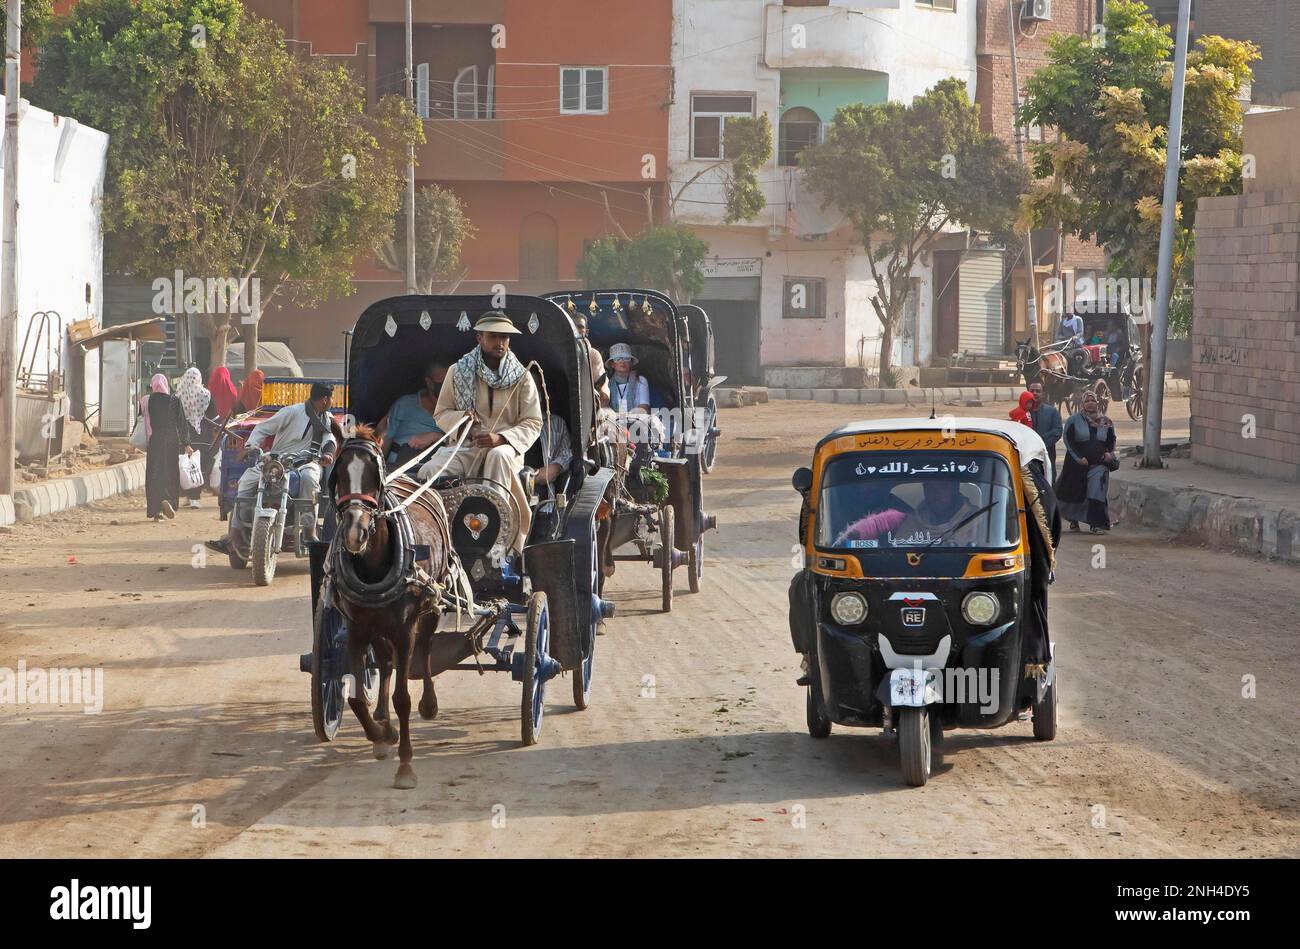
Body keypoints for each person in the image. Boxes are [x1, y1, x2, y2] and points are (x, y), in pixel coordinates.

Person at [418, 313, 542, 553]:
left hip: (507, 450)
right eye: (493, 336)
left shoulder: (522, 377)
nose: (500, 342)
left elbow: (533, 422)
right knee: (429, 471)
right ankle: (435, 539)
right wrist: (462, 420)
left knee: (498, 456)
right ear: (479, 337)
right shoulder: (458, 371)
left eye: (504, 337)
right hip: (466, 446)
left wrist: (501, 439)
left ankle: (498, 538)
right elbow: (441, 413)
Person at [205, 382, 337, 553]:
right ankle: (235, 535)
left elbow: (329, 440)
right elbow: (262, 428)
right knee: (247, 479)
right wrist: (251, 446)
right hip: (278, 461)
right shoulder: (293, 411)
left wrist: (328, 454)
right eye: (331, 398)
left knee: (310, 479)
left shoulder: (327, 419)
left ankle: (309, 531)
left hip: (307, 463)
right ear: (326, 399)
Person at [1055, 389, 1116, 534]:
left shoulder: (1106, 421)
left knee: (1097, 493)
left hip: (1099, 464)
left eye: (1092, 400)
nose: (1090, 403)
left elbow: (1112, 440)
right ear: (1082, 404)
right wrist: (1078, 458)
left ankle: (1096, 524)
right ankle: (1073, 520)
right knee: (1074, 493)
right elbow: (1068, 440)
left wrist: (1110, 454)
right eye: (1087, 401)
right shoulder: (1074, 420)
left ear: (1097, 402)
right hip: (1077, 465)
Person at [378, 360, 448, 466]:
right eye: (442, 382)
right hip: (400, 466)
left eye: (450, 382)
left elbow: (464, 441)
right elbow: (385, 439)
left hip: (438, 468)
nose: (447, 386)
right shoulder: (405, 404)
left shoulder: (457, 409)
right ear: (429, 382)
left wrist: (436, 436)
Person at [143, 374, 193, 521]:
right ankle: (168, 501)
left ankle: (156, 509)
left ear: (153, 385)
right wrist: (187, 444)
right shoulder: (174, 400)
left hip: (155, 440)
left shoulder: (146, 400)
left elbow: (142, 421)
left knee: (154, 473)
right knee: (170, 472)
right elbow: (182, 424)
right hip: (171, 441)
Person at [528, 366, 573, 500]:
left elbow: (568, 451)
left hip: (544, 495)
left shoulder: (556, 422)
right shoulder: (504, 424)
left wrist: (556, 467)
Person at [893, 480, 981, 547]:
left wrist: (956, 542)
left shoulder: (977, 518)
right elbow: (897, 549)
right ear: (924, 489)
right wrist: (918, 541)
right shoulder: (911, 522)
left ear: (955, 488)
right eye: (930, 487)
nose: (936, 494)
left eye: (943, 486)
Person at [176, 367, 215, 508]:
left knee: (186, 466)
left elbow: (175, 417)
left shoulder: (179, 394)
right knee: (199, 466)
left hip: (184, 437)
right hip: (203, 436)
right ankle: (195, 498)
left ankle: (188, 496)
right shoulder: (206, 395)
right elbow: (214, 416)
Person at [1027, 382, 1063, 482]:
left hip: (1047, 454)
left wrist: (1041, 443)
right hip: (1027, 456)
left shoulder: (1052, 411)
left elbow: (1057, 431)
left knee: (1048, 483)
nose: (1034, 393)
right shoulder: (1023, 412)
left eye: (1038, 391)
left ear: (1043, 394)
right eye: (1032, 391)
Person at [573, 314, 610, 407]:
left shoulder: (593, 355)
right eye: (573, 326)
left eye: (580, 327)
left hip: (588, 403)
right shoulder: (560, 352)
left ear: (586, 331)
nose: (576, 329)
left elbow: (599, 382)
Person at [607, 343, 650, 414]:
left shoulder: (641, 380)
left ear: (631, 363)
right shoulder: (607, 384)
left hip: (637, 421)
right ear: (612, 364)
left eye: (626, 358)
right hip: (614, 422)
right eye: (617, 359)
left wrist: (628, 420)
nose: (622, 361)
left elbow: (644, 407)